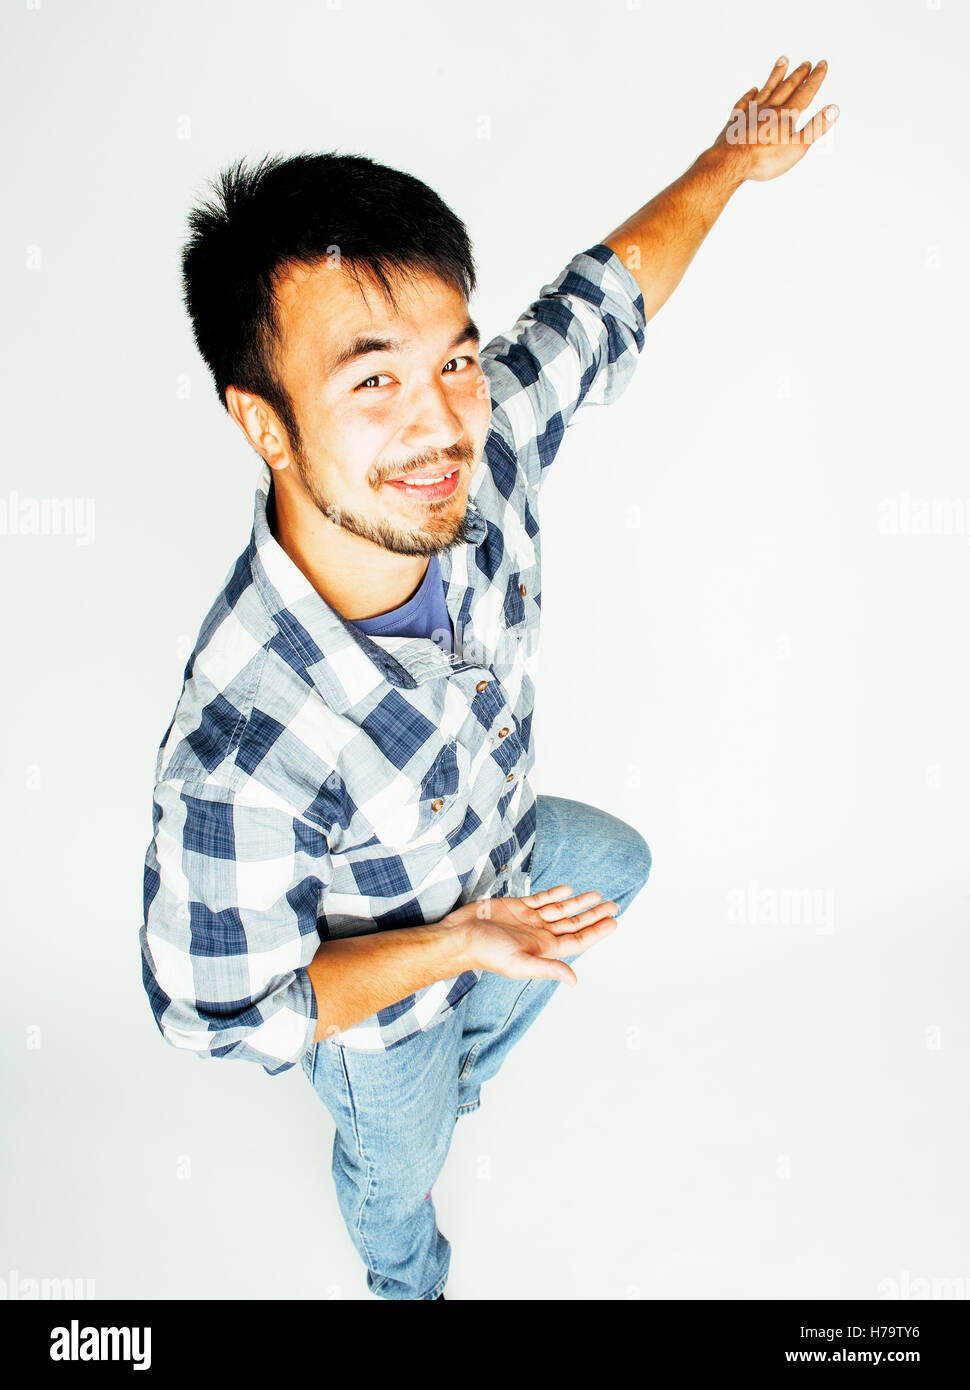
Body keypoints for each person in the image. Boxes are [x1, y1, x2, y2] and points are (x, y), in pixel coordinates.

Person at [139, 56, 837, 1300]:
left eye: (451, 359)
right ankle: (404, 1268)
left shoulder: (478, 440)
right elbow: (224, 1013)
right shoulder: (242, 751)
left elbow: (601, 299)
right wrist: (453, 945)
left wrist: (730, 159)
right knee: (404, 1159)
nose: (439, 427)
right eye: (372, 382)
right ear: (265, 423)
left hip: (496, 852)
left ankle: (467, 1050)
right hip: (385, 1008)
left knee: (611, 864)